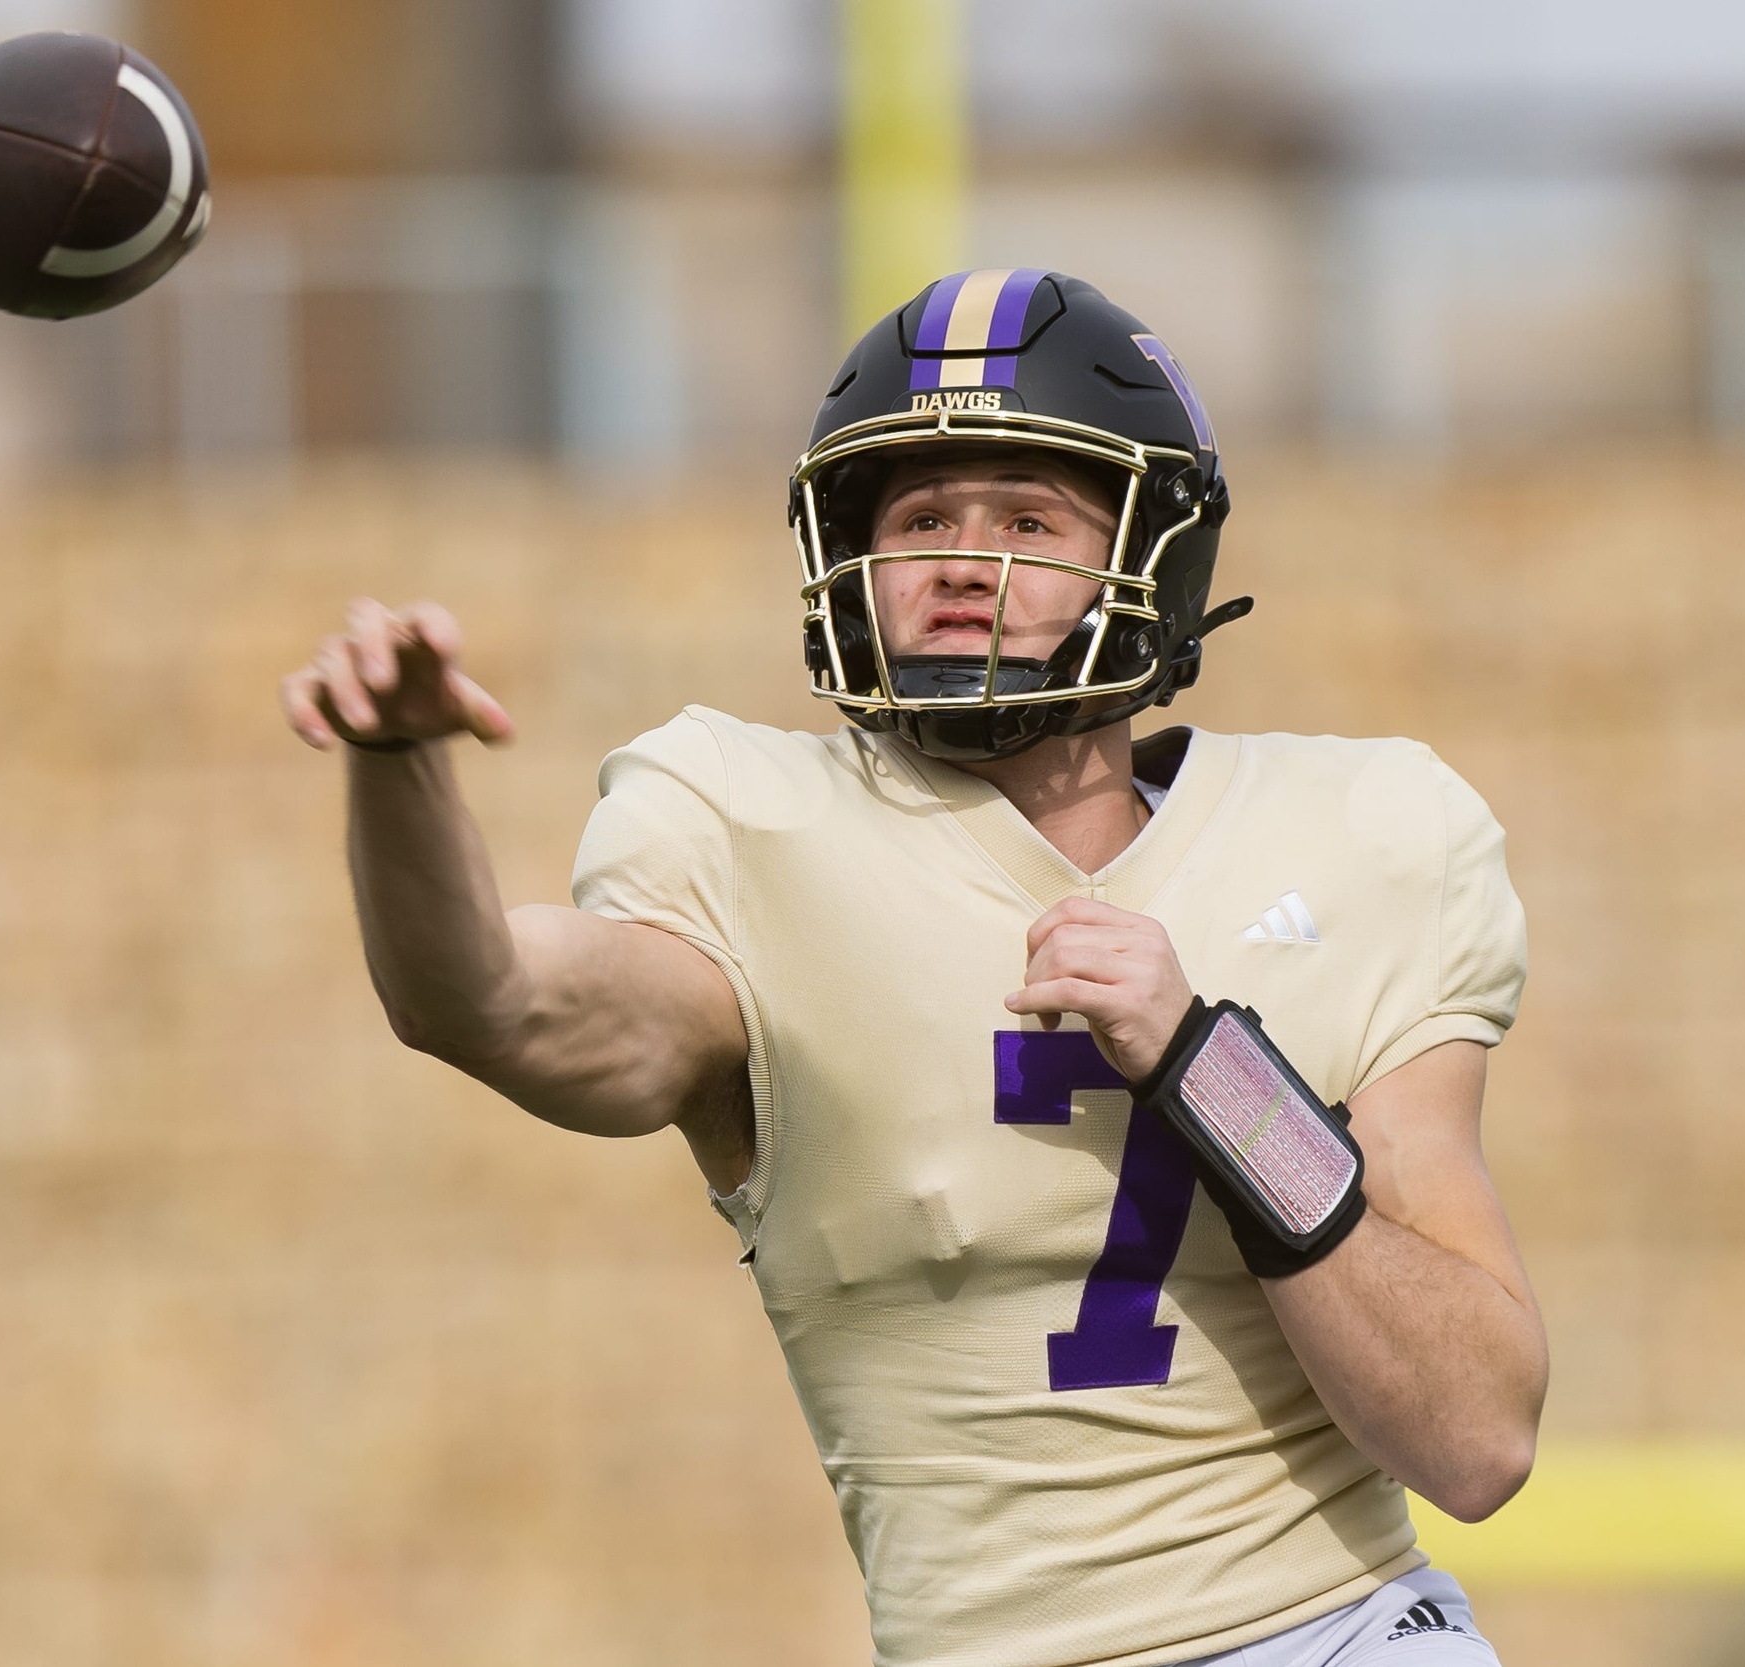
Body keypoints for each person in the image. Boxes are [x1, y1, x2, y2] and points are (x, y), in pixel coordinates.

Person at [279, 270, 1545, 1667]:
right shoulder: (754, 831)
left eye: (1028, 520)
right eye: (921, 517)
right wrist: (399, 771)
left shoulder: (1363, 832)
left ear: (1155, 555)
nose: (961, 562)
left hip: (1335, 1636)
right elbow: (489, 1004)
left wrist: (1213, 1075)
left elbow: (1476, 1436)